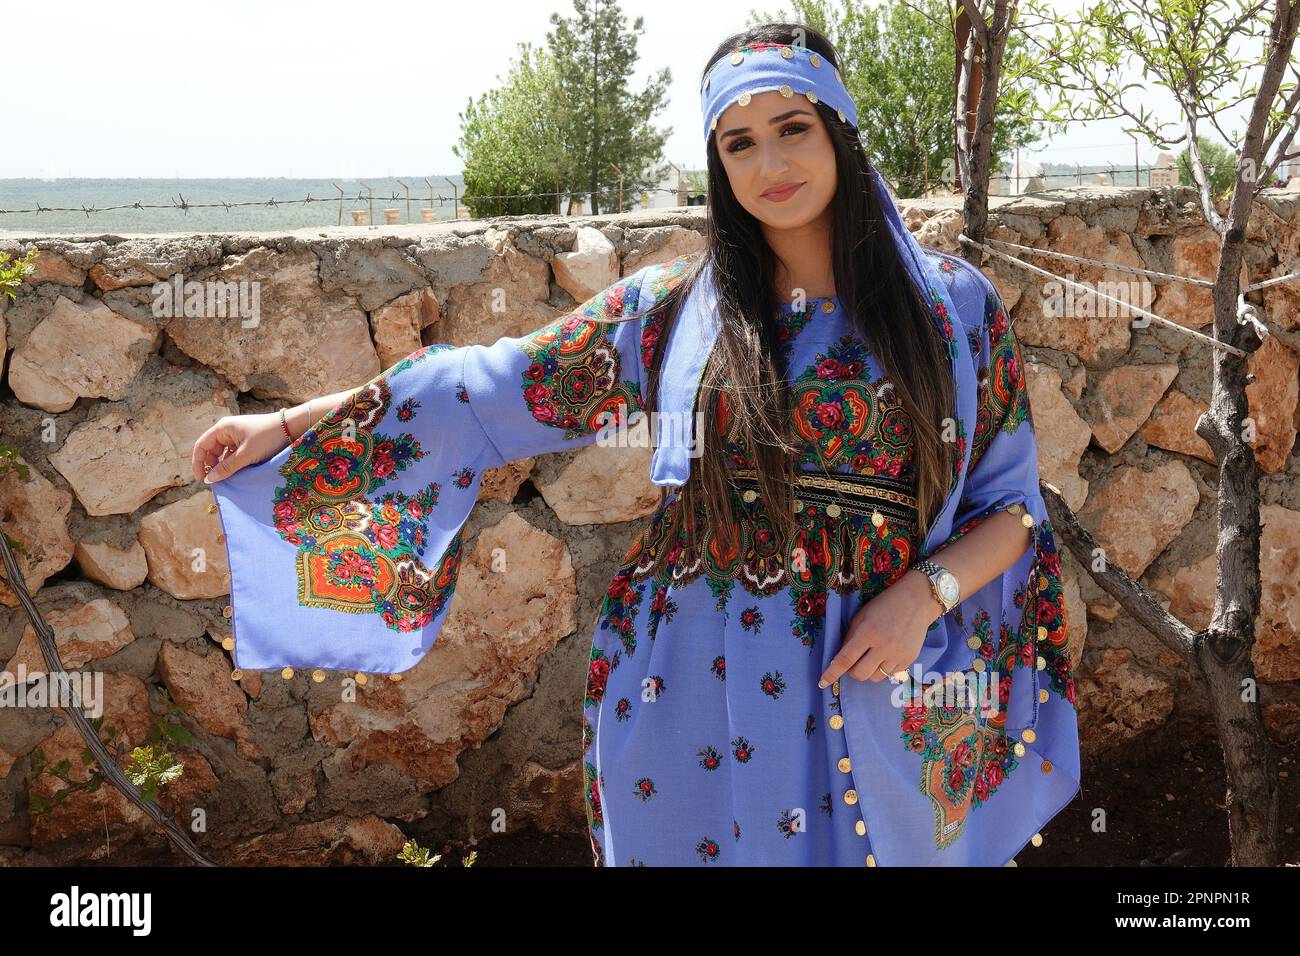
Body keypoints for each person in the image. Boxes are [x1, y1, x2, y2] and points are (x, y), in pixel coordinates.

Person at [193, 22, 1080, 867]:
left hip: (878, 673)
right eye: (737, 143)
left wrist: (923, 598)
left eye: (791, 127)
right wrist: (284, 425)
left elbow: (1011, 511)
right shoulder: (672, 312)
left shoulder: (954, 311)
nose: (769, 163)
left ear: (839, 129)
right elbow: (484, 386)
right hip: (685, 681)